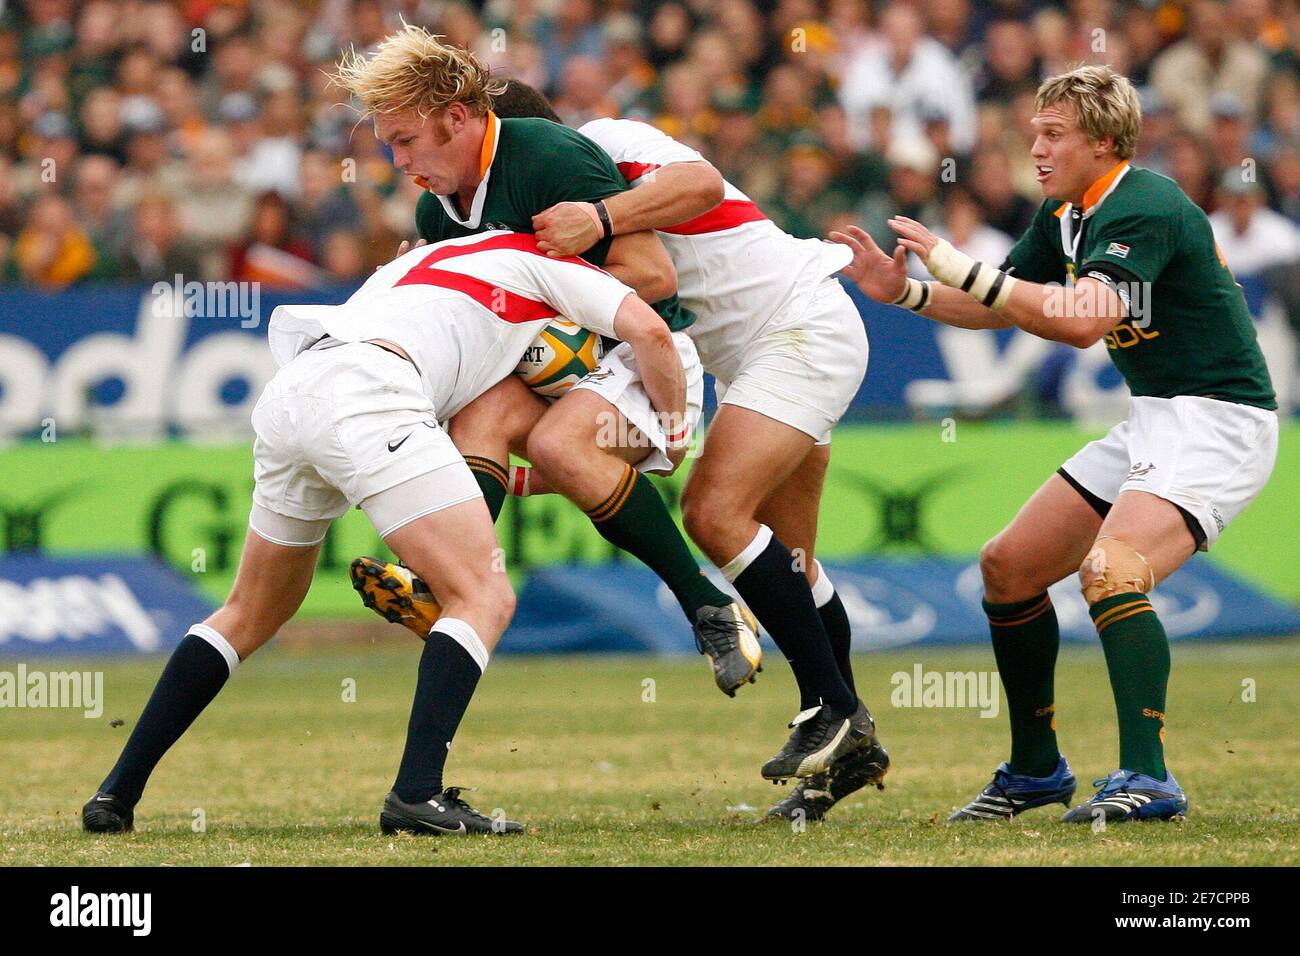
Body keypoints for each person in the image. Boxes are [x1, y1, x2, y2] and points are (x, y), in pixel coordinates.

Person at [358, 78, 888, 800]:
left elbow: (700, 183)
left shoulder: (607, 144)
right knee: (788, 557)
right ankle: (849, 737)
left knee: (713, 513)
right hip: (740, 360)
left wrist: (598, 214)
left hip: (798, 321)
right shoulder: (471, 203)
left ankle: (830, 704)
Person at [82, 230, 685, 837]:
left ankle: (115, 794)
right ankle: (417, 796)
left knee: (249, 610)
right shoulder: (544, 260)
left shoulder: (427, 259)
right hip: (372, 392)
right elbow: (653, 332)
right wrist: (677, 432)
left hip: (295, 390)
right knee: (484, 594)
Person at [835, 65, 1278, 823]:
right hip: (1156, 415)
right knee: (1009, 567)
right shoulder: (1068, 214)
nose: (1033, 148)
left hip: (1219, 420)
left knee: (1111, 570)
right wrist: (905, 290)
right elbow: (1002, 304)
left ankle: (1150, 777)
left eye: (1053, 134)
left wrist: (959, 266)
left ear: (1105, 141)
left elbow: (1078, 320)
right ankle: (1036, 771)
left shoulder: (1144, 204)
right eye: (1033, 131)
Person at [331, 25, 763, 698]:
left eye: (407, 141)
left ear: (455, 117)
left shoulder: (546, 153)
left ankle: (705, 603)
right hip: (549, 361)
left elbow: (653, 278)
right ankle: (446, 583)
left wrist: (552, 308)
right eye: (388, 146)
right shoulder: (435, 209)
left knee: (561, 445)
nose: (398, 160)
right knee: (476, 414)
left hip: (643, 353)